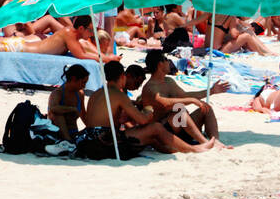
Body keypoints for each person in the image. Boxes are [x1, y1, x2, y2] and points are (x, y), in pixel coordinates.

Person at [81, 60, 217, 153]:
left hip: (88, 138)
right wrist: (148, 111)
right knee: (155, 128)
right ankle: (193, 149)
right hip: (104, 139)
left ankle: (175, 149)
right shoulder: (119, 94)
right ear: (123, 76)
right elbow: (143, 120)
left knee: (152, 138)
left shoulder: (96, 93)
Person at [141, 50, 228, 141]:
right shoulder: (150, 87)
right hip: (164, 132)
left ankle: (215, 141)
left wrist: (211, 91)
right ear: (160, 64)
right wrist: (192, 100)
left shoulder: (168, 81)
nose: (169, 62)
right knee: (180, 112)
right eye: (166, 59)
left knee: (207, 109)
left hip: (181, 127)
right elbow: (165, 103)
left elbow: (184, 95)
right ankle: (204, 142)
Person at [47, 63, 89, 140]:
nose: (84, 86)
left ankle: (70, 140)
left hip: (74, 132)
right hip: (57, 134)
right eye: (83, 82)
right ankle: (68, 141)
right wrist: (72, 109)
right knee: (58, 112)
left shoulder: (80, 94)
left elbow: (83, 115)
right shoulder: (57, 93)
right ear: (73, 79)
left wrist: (92, 128)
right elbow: (53, 109)